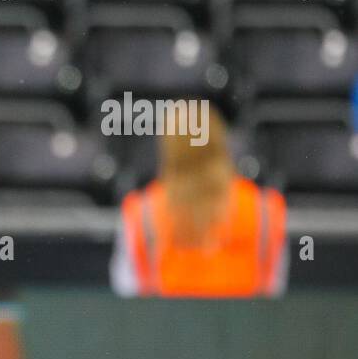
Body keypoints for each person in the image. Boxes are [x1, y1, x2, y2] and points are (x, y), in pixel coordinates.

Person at [111, 106, 288, 297]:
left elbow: (127, 290)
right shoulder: (263, 208)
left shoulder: (142, 211)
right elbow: (275, 287)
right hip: (245, 324)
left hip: (167, 324)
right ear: (221, 143)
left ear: (167, 148)